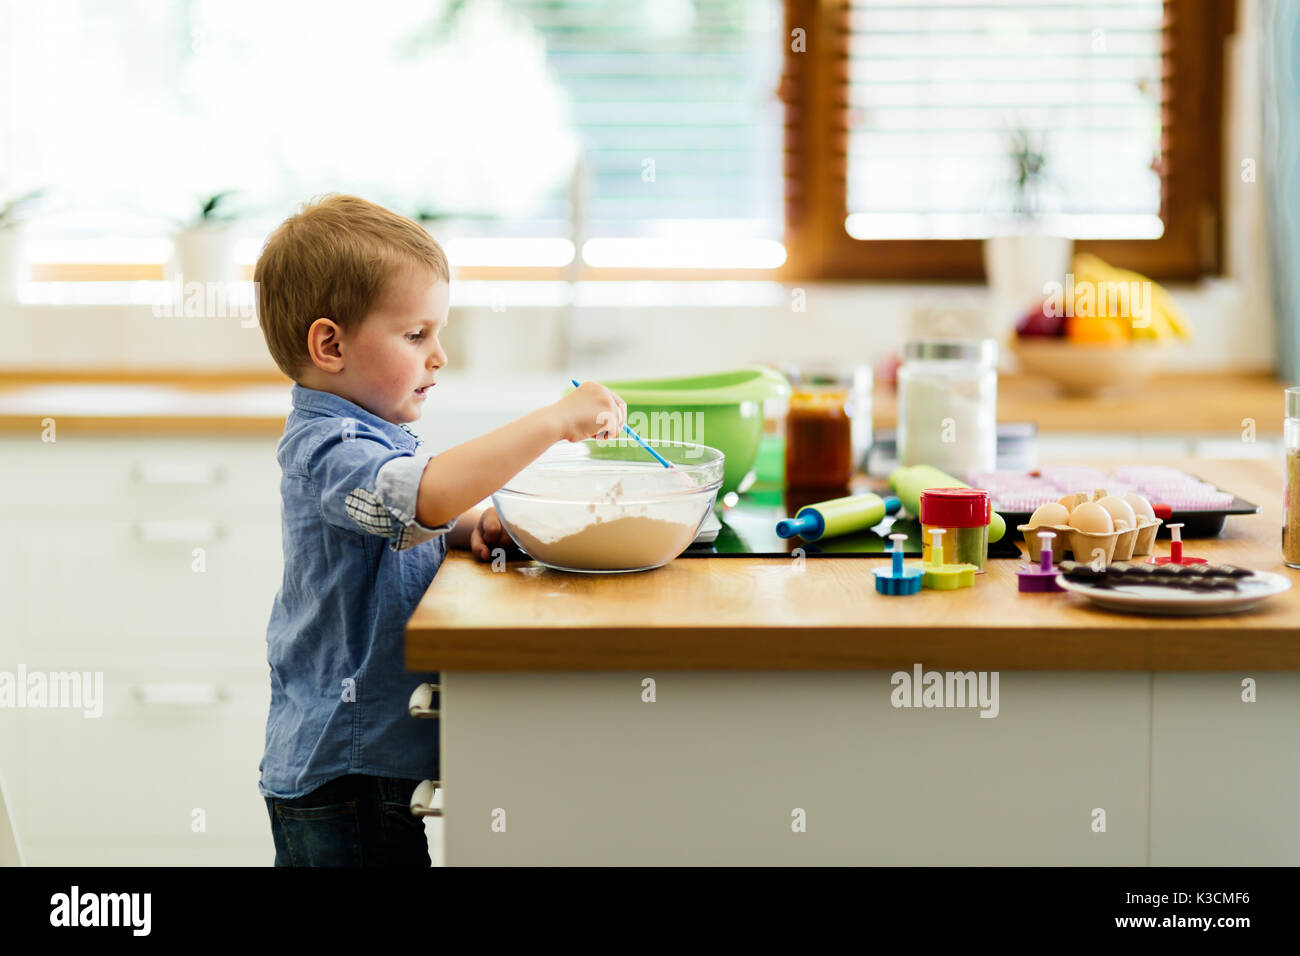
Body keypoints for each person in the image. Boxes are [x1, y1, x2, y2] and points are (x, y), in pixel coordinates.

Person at [254, 194, 625, 865]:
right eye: (416, 334)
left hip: (371, 765)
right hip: (346, 774)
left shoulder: (370, 434)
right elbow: (416, 498)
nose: (439, 357)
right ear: (330, 344)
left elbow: (402, 519)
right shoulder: (327, 447)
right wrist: (553, 422)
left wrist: (471, 525)